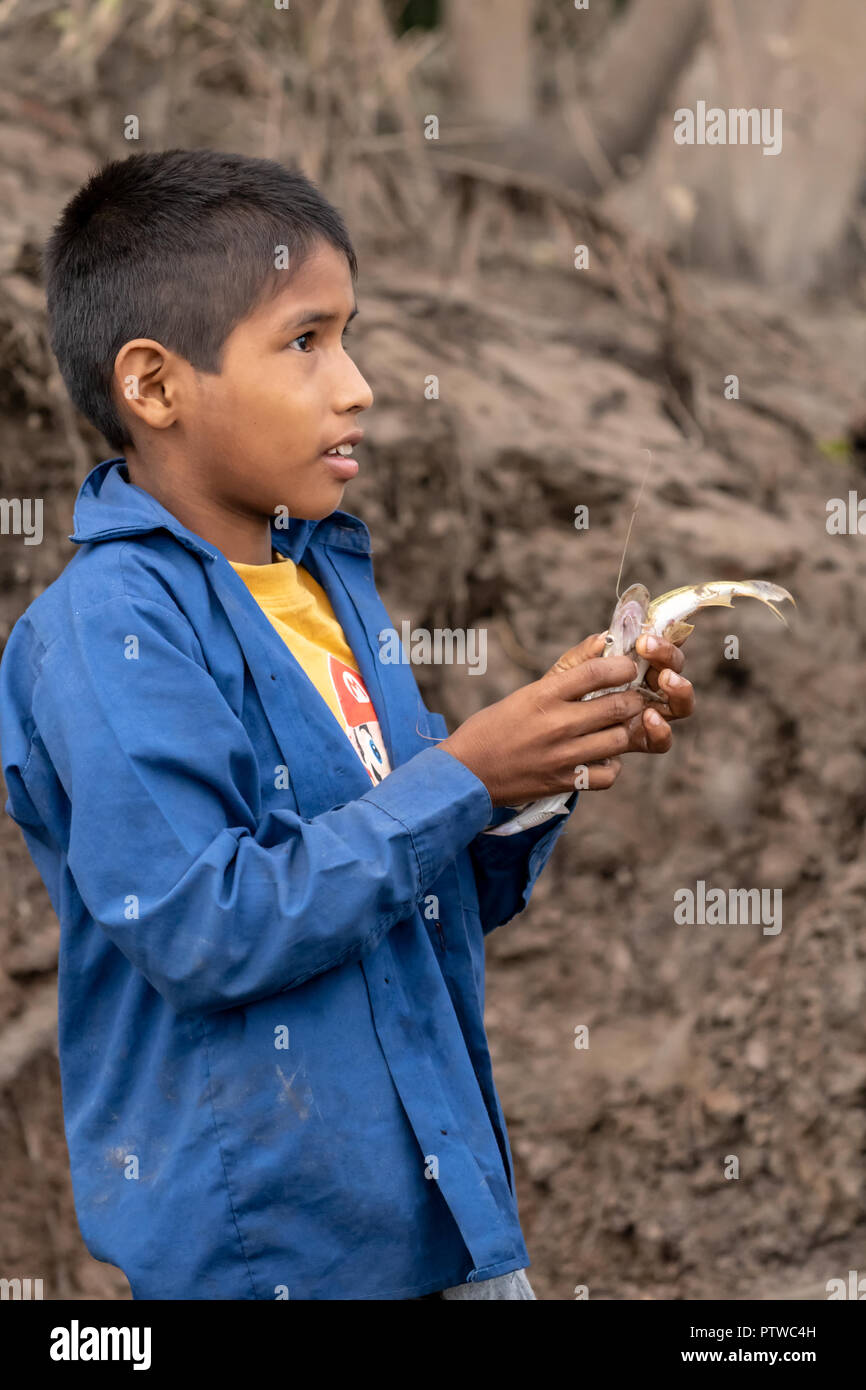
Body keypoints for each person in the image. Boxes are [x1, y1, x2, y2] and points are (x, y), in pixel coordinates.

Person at [0, 149, 694, 1301]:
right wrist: (466, 770)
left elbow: (415, 888)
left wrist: (540, 762)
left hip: (444, 1214)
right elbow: (208, 925)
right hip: (277, 1252)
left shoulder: (329, 590)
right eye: (304, 340)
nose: (357, 383)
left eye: (349, 335)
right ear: (157, 387)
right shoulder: (102, 634)